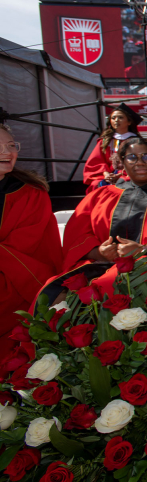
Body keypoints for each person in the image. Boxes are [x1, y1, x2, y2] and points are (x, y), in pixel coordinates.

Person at [44, 138, 147, 301]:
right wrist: (98, 252)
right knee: (53, 294)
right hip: (97, 267)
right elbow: (76, 236)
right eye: (132, 158)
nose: (140, 162)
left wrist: (143, 249)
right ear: (122, 162)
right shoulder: (99, 196)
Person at [0, 124, 62, 356]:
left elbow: (22, 248)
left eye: (11, 146)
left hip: (15, 283)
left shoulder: (31, 193)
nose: (7, 152)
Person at [83, 104, 141, 193]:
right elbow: (96, 162)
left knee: (125, 182)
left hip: (128, 174)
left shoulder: (138, 142)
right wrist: (106, 174)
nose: (116, 120)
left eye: (120, 117)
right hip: (107, 175)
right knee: (96, 184)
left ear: (129, 122)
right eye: (113, 118)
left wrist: (121, 174)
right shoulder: (105, 141)